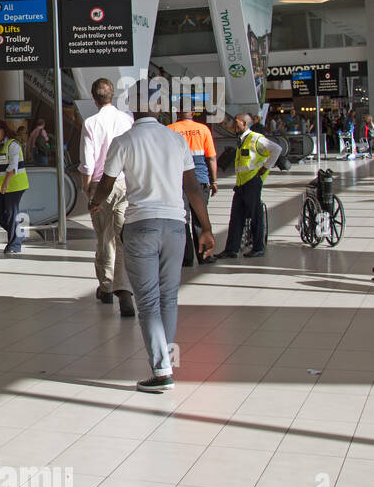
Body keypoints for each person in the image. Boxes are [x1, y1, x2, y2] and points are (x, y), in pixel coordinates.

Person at [91, 103, 215, 392]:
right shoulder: (176, 139)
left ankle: (161, 371)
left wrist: (95, 201)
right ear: (159, 112)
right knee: (168, 298)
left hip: (141, 225)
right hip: (175, 226)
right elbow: (193, 188)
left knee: (147, 301)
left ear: (134, 112)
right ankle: (166, 363)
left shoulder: (124, 141)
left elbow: (107, 184)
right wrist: (206, 228)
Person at [80, 78, 135, 317]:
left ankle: (107, 286)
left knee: (104, 237)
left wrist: (87, 190)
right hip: (124, 182)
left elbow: (87, 162)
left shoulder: (91, 123)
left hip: (101, 185)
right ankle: (124, 289)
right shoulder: (127, 120)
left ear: (94, 98)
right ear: (112, 95)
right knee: (122, 236)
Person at [217, 112, 283, 260]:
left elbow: (276, 149)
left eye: (236, 122)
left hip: (252, 182)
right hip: (241, 184)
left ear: (245, 124)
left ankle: (258, 247)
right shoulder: (242, 140)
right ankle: (231, 249)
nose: (234, 124)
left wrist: (266, 167)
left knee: (256, 216)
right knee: (236, 217)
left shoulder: (255, 138)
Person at [167, 110, 219, 267]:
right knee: (199, 218)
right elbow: (211, 158)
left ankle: (186, 257)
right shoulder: (203, 129)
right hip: (200, 178)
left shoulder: (170, 129)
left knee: (183, 218)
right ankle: (204, 255)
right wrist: (214, 181)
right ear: (193, 113)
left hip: (179, 181)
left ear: (177, 113)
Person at [0, 121, 28, 255]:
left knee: (12, 214)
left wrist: (5, 183)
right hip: (3, 186)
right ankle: (18, 235)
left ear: (2, 130)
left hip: (14, 185)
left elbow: (12, 167)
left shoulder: (13, 145)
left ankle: (14, 245)